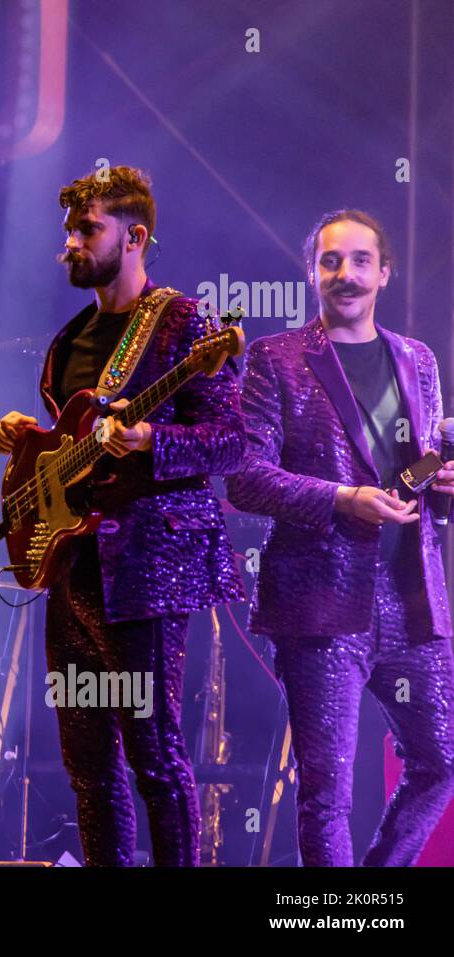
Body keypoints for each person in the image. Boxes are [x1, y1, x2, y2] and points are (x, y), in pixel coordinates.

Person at [0, 167, 245, 866]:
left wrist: (151, 438)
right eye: (68, 229)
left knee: (155, 757)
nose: (69, 243)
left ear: (135, 236)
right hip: (73, 566)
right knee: (87, 765)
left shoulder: (184, 323)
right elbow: (73, 446)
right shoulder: (68, 341)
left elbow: (233, 440)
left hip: (148, 568)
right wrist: (34, 443)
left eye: (86, 229)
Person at [226, 209, 454, 866]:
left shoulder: (418, 359)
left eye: (359, 261)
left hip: (411, 599)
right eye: (330, 261)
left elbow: (419, 470)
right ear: (311, 272)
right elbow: (244, 475)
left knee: (440, 762)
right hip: (322, 603)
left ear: (385, 272)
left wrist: (441, 489)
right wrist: (341, 498)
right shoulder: (278, 359)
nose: (344, 274)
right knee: (326, 792)